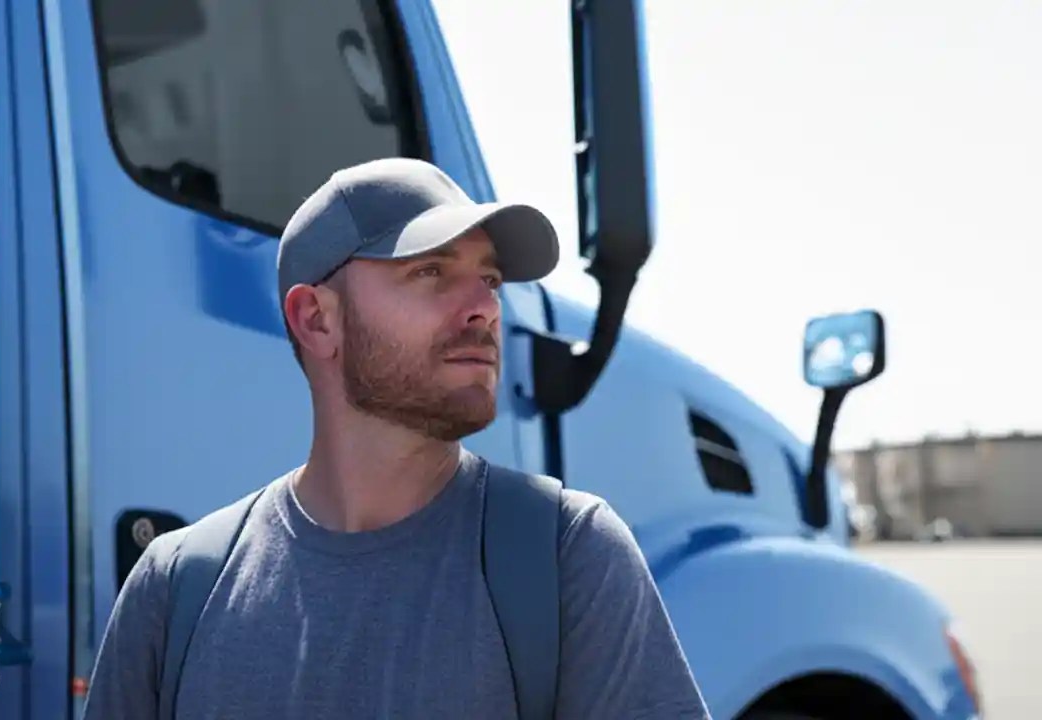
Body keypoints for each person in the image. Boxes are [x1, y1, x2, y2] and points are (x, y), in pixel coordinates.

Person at [81, 157, 711, 719]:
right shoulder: (176, 587)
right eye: (431, 271)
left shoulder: (567, 553)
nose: (484, 308)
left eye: (489, 280)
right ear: (316, 320)